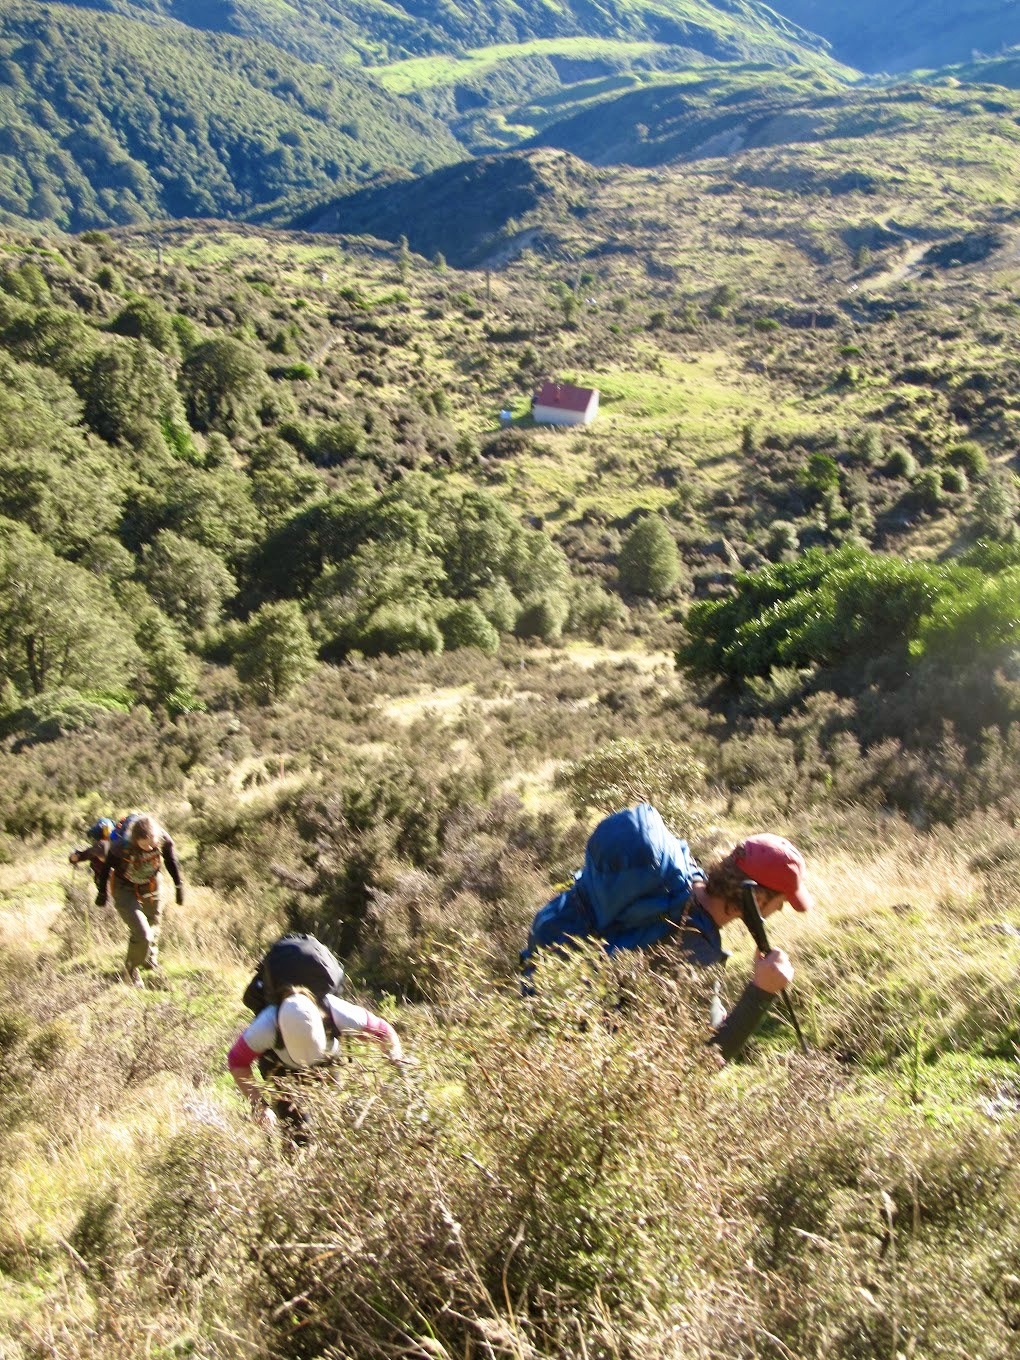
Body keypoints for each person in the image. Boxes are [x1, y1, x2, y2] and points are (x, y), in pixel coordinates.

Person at [521, 803, 814, 1060]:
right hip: (584, 1061)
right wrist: (761, 993)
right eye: (781, 901)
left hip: (554, 1000)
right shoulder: (696, 948)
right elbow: (701, 1063)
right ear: (757, 899)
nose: (780, 910)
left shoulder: (684, 875)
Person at [227, 985, 407, 1143]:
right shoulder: (265, 1027)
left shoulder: (337, 1013)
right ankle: (295, 1162)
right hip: (283, 1071)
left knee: (335, 1119)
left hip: (327, 1064)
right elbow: (237, 1061)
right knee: (297, 1133)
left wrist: (396, 1058)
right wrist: (259, 1106)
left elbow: (384, 1031)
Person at [94, 813, 184, 987]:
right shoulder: (121, 847)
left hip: (150, 881)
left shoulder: (164, 840)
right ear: (136, 841)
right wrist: (102, 892)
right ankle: (130, 970)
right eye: (144, 845)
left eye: (152, 843)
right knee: (142, 934)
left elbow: (171, 861)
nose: (150, 848)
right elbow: (106, 868)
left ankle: (149, 959)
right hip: (124, 885)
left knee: (154, 920)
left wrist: (179, 887)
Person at [68, 817, 115, 890]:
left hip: (108, 887)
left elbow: (79, 856)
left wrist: (74, 857)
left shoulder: (97, 848)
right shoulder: (118, 845)